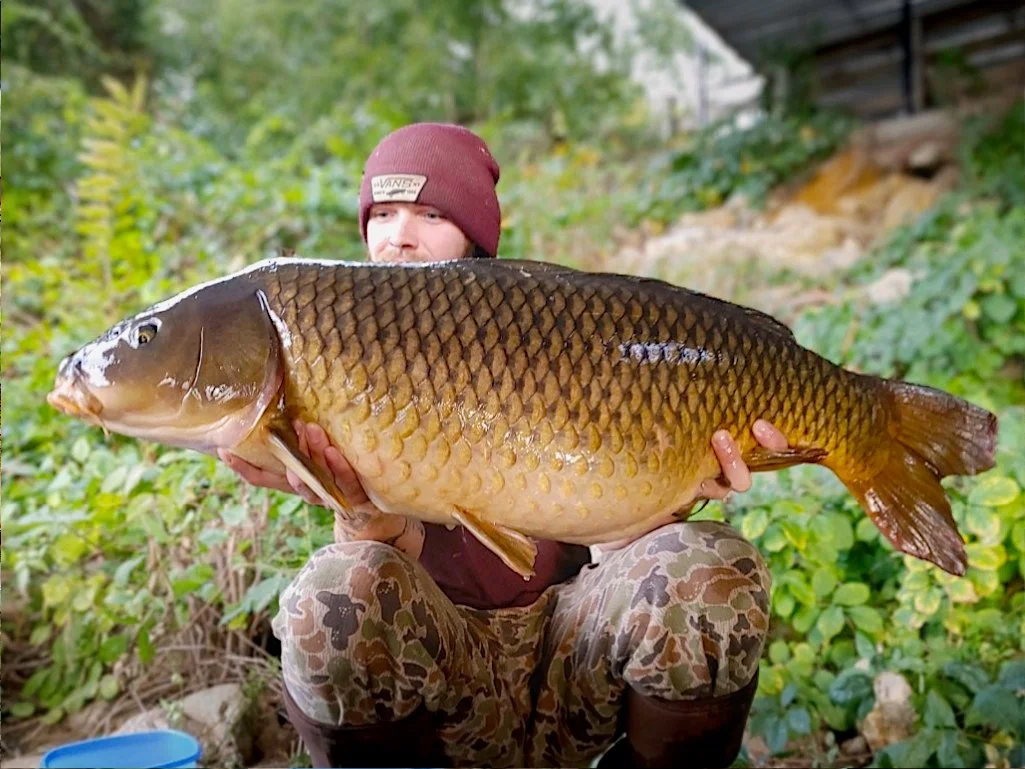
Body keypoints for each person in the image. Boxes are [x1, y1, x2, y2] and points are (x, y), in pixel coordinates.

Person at [220, 123, 787, 768]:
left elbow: (616, 551)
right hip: (444, 678)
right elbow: (382, 571)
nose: (399, 234)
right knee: (333, 594)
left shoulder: (555, 326)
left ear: (474, 236)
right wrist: (357, 511)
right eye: (382, 213)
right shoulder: (341, 352)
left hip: (573, 654)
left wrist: (678, 483)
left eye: (429, 213)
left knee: (705, 562)